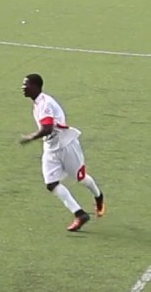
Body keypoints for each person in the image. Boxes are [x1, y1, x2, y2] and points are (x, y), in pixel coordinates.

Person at [20, 74, 105, 232]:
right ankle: (79, 214)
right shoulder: (38, 103)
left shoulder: (45, 104)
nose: (23, 87)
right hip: (51, 147)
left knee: (81, 178)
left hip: (66, 145)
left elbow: (47, 128)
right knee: (51, 184)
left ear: (36, 86)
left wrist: (30, 137)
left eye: (26, 85)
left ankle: (99, 196)